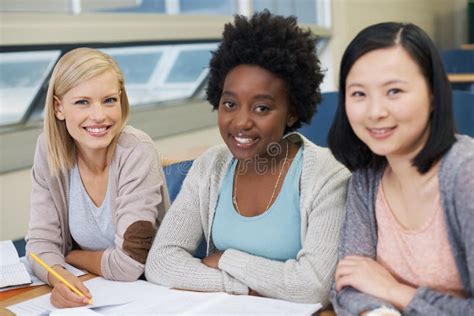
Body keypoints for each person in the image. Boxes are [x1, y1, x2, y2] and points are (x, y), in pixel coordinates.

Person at [145, 10, 350, 306]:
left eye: (262, 108)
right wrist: (240, 286)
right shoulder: (211, 165)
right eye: (230, 104)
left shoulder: (327, 176)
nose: (240, 122)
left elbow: (314, 286)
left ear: (292, 111)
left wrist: (227, 259)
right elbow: (161, 262)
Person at [328, 22, 474, 315]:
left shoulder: (465, 173)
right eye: (359, 94)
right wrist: (378, 311)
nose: (375, 112)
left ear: (433, 94)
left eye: (394, 91)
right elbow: (348, 284)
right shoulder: (367, 177)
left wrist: (394, 291)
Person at [26, 47, 169, 308]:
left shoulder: (137, 150)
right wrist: (62, 279)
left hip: (150, 293)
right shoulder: (49, 149)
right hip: (95, 289)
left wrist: (70, 256)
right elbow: (40, 245)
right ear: (59, 107)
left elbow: (130, 264)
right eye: (82, 102)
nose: (99, 115)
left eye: (109, 100)